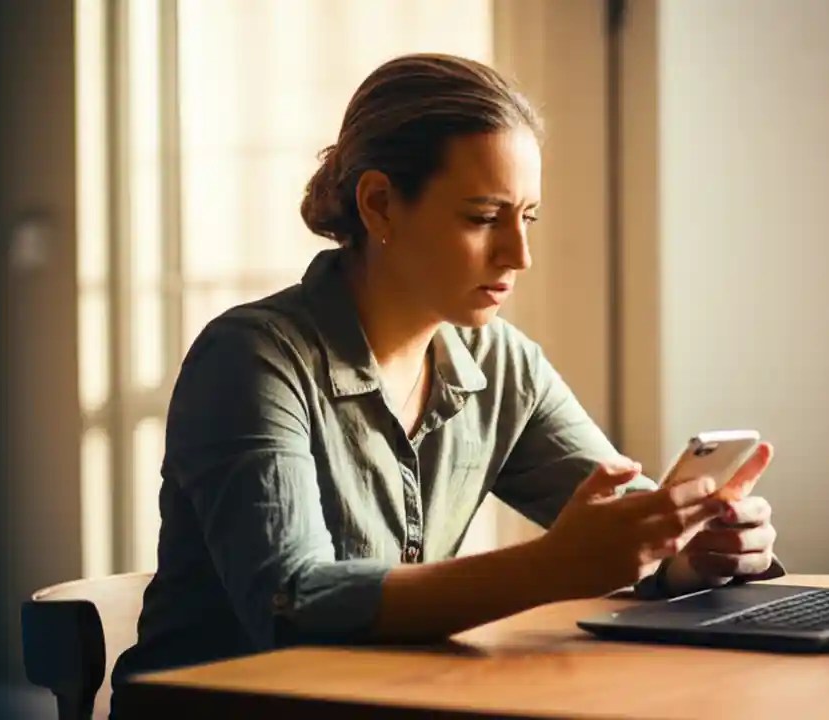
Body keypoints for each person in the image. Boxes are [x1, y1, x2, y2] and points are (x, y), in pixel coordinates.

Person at [111, 52, 782, 693]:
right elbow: (294, 605)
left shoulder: (501, 364)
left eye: (528, 218)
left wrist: (688, 551)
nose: (519, 254)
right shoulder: (252, 359)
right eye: (483, 217)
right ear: (379, 204)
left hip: (394, 698)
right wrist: (554, 567)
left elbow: (621, 529)